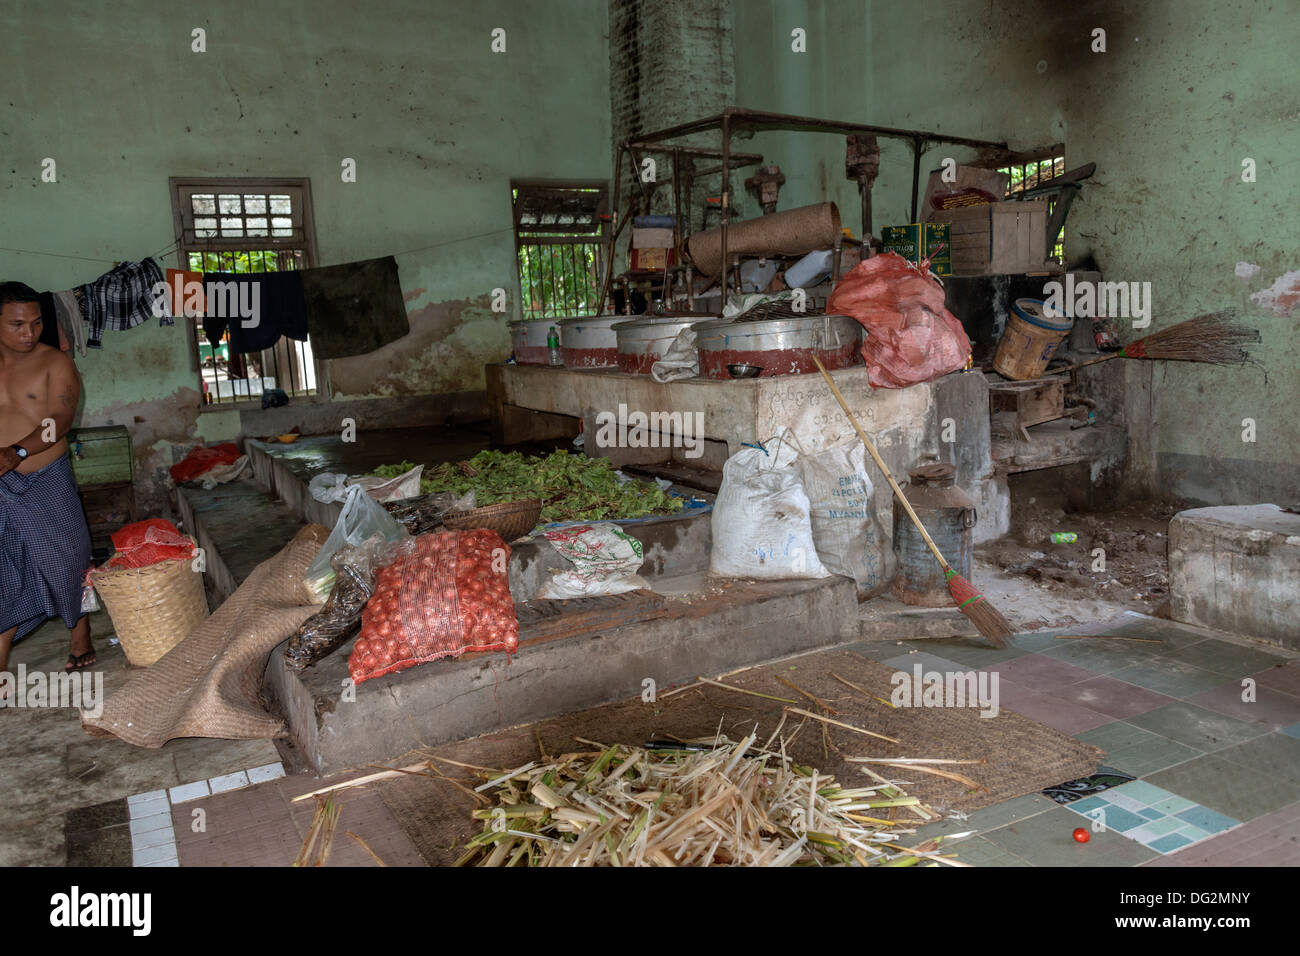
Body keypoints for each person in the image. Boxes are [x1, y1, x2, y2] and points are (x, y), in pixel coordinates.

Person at [0, 281, 95, 679]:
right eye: (17, 325)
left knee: (68, 559)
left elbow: (62, 420)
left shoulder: (55, 363)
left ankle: (81, 635)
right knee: (3, 569)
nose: (29, 333)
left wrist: (17, 451)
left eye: (36, 323)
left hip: (45, 475)